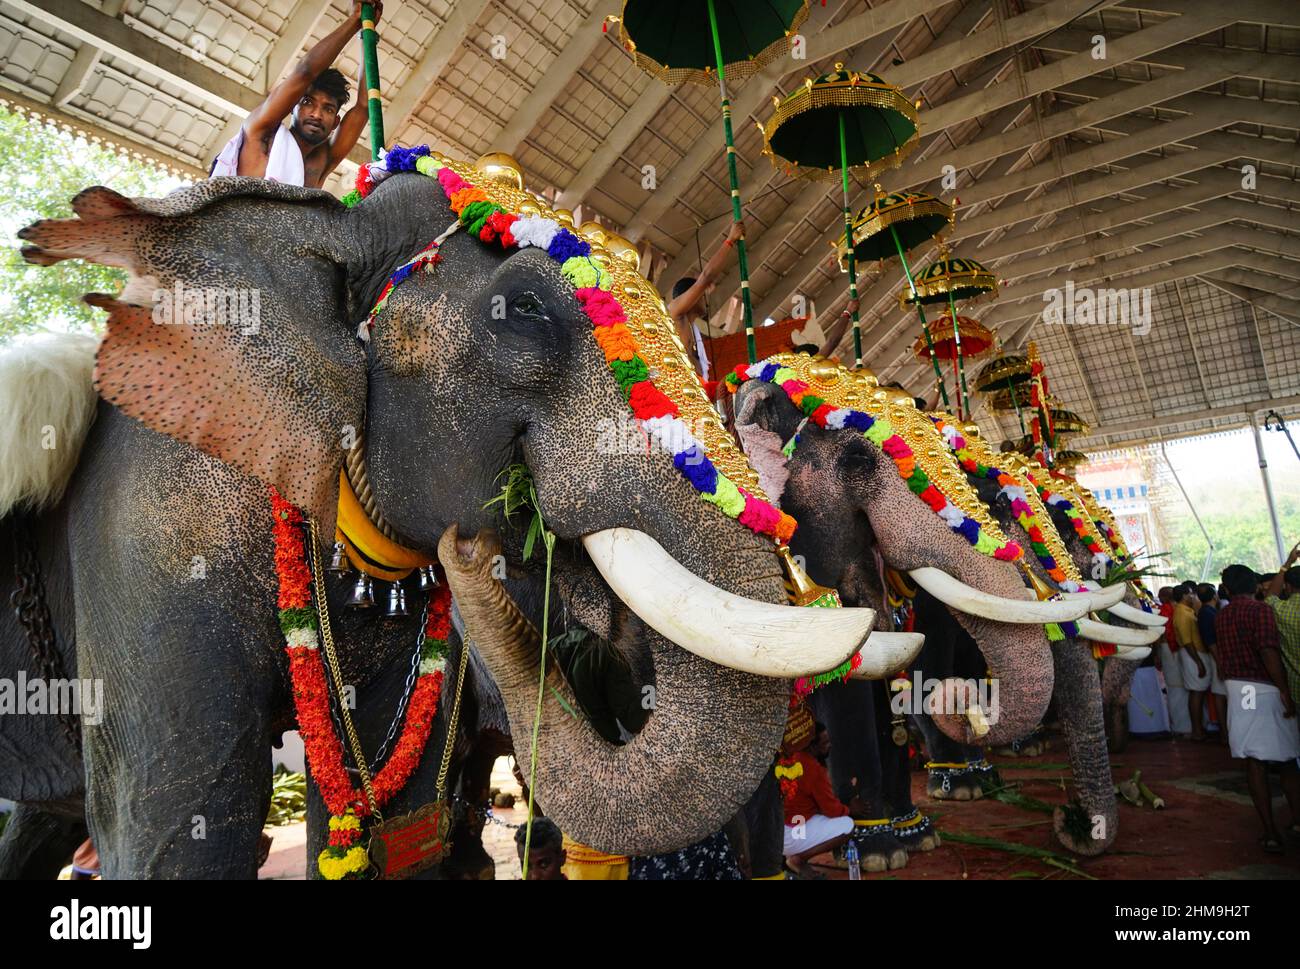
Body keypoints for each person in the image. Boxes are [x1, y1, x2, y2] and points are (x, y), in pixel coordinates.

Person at [210, 1, 381, 187]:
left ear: (336, 122)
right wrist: (355, 20)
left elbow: (365, 107)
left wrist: (366, 34)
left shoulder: (322, 160)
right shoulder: (261, 134)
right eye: (308, 102)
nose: (317, 114)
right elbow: (305, 72)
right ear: (293, 107)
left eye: (328, 109)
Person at [1215, 564, 1300, 854]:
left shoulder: (1222, 614)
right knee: (1287, 756)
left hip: (1239, 689)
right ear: (1254, 586)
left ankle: (1269, 831)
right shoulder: (1260, 611)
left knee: (1254, 760)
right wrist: (1285, 690)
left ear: (1226, 589)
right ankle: (1297, 820)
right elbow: (1267, 650)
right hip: (1262, 686)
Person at [779, 704, 858, 876]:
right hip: (793, 834)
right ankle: (798, 859)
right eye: (825, 743)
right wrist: (850, 809)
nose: (829, 746)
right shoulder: (812, 767)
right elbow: (832, 810)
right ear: (811, 746)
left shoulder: (790, 756)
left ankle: (788, 858)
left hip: (776, 833)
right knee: (847, 825)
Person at [667, 220, 745, 380]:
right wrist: (730, 240)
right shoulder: (674, 313)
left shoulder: (692, 329)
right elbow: (707, 276)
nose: (706, 301)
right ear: (692, 296)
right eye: (702, 296)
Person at [1174, 582, 1226, 740]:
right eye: (1191, 594)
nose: (1193, 596)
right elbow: (1186, 640)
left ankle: (1200, 727)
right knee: (1196, 692)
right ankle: (1197, 730)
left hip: (1197, 653)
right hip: (1193, 654)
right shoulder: (1182, 613)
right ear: (1184, 596)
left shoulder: (1189, 610)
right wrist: (1198, 662)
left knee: (1200, 691)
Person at [1263, 542, 1300, 707]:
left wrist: (1287, 564)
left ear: (1288, 587)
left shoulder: (1282, 610)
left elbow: (1270, 595)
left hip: (1296, 688)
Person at [1155, 585, 1191, 736]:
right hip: (1175, 649)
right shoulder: (1181, 609)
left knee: (1176, 688)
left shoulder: (1163, 611)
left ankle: (1181, 725)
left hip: (1170, 649)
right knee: (1179, 687)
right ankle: (1183, 725)